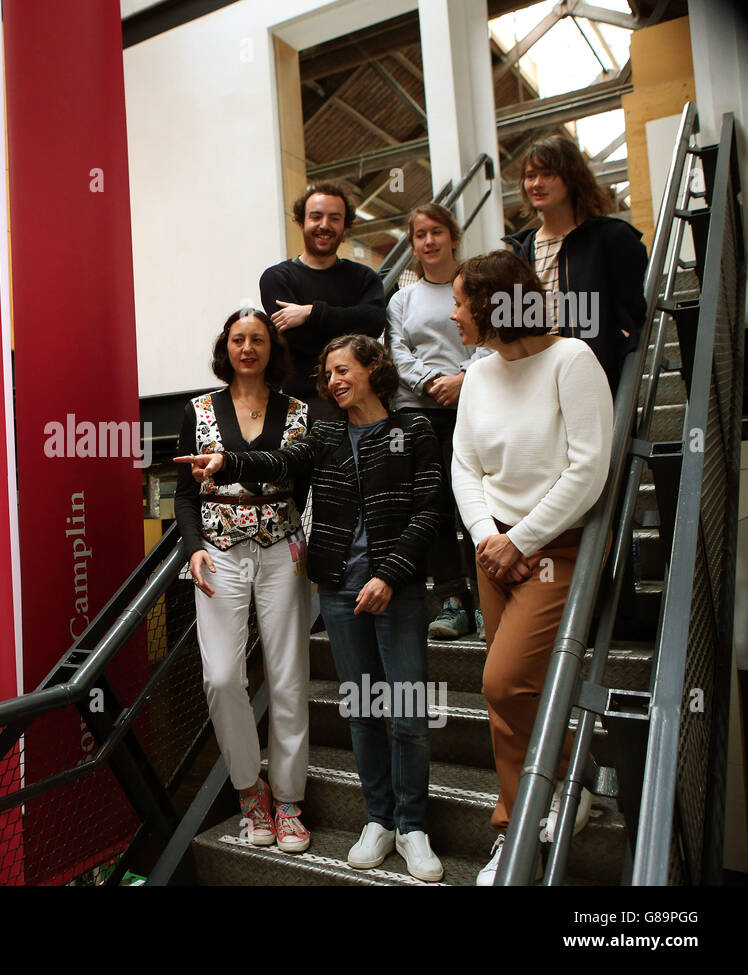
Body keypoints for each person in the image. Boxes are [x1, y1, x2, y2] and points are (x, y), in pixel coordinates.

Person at [178, 334, 447, 882]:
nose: (334, 381)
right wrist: (226, 461)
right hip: (341, 590)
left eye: (344, 370)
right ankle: (379, 819)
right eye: (328, 374)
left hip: (398, 589)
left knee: (408, 711)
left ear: (374, 368)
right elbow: (278, 459)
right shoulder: (323, 435)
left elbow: (430, 508)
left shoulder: (412, 429)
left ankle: (413, 827)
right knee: (362, 710)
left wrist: (390, 575)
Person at [448, 250, 612, 885]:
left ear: (493, 306)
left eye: (462, 302)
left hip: (553, 550)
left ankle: (569, 779)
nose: (454, 313)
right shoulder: (481, 372)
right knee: (508, 694)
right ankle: (519, 827)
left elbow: (588, 469)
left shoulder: (571, 361)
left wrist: (524, 541)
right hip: (494, 552)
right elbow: (465, 466)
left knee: (504, 683)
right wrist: (490, 537)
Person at [173, 307, 313, 854]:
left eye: (258, 339)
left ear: (272, 350)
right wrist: (193, 550)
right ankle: (248, 792)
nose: (248, 348)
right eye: (238, 339)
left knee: (287, 678)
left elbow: (296, 475)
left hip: (283, 550)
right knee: (224, 676)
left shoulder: (299, 410)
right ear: (225, 347)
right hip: (220, 553)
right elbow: (185, 494)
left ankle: (287, 802)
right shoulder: (198, 409)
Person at [384, 203, 491, 641]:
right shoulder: (402, 298)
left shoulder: (475, 287)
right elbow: (397, 350)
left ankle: (488, 601)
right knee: (433, 505)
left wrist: (464, 378)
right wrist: (432, 382)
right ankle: (452, 602)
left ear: (453, 236)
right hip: (418, 412)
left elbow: (489, 339)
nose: (428, 241)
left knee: (475, 504)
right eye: (419, 235)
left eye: (436, 232)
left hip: (472, 404)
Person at [503, 135, 647, 395]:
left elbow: (632, 312)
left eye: (548, 174)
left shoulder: (609, 238)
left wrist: (614, 352)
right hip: (534, 374)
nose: (536, 183)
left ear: (571, 177)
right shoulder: (519, 250)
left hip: (590, 370)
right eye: (530, 175)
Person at [259, 182, 387, 419]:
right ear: (301, 222)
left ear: (345, 227)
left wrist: (311, 313)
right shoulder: (277, 278)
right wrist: (349, 326)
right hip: (304, 407)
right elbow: (297, 340)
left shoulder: (365, 277)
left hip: (363, 403)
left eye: (334, 218)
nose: (325, 225)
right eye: (316, 217)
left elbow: (373, 322)